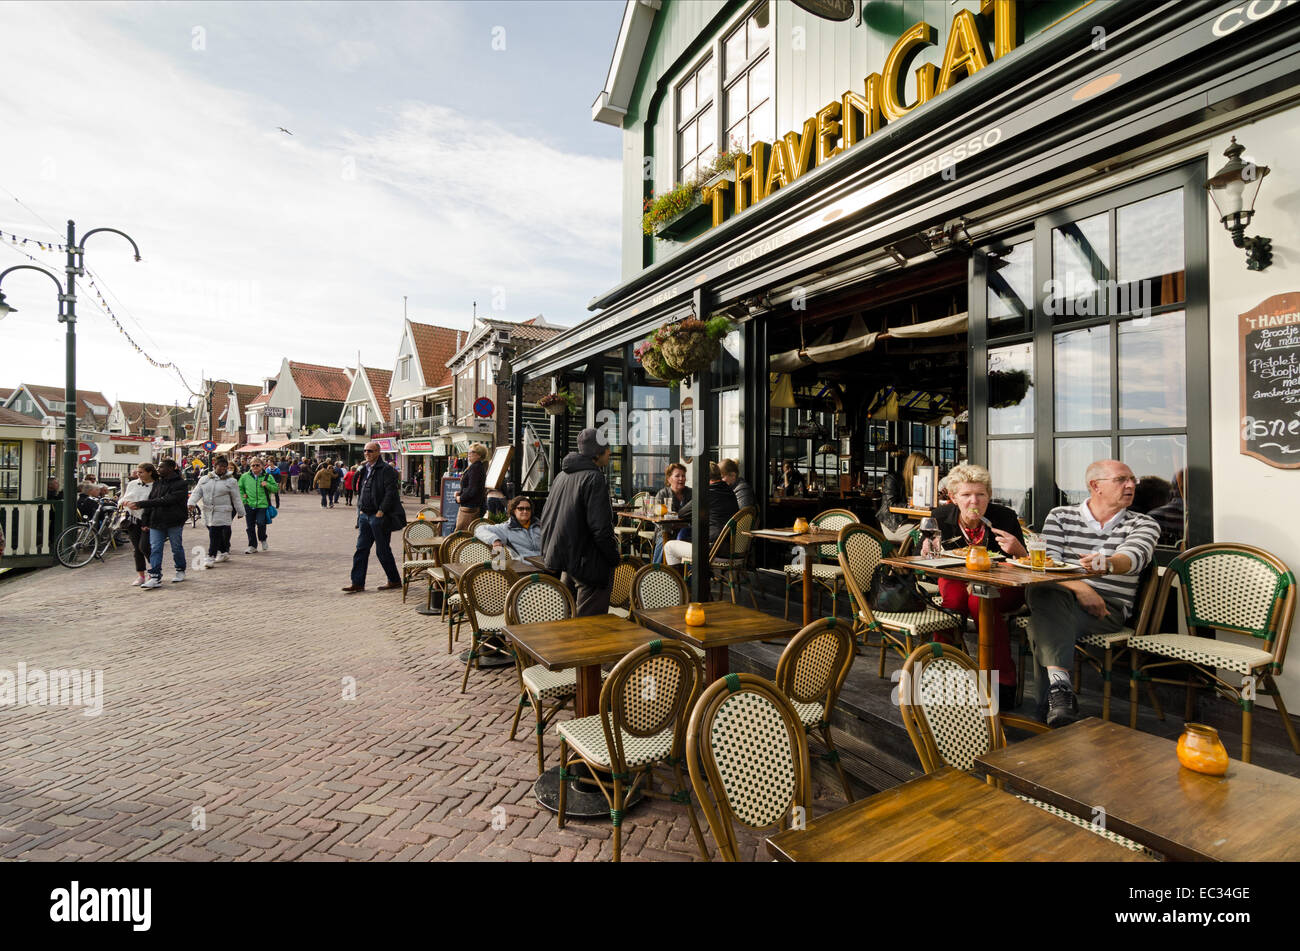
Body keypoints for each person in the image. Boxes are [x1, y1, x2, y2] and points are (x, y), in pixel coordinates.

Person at [1027, 459, 1160, 726]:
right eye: (1121, 479)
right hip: (1061, 597)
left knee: (1039, 616)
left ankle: (1051, 702)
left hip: (1107, 608)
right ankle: (1060, 697)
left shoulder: (1144, 524)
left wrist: (1108, 564)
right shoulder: (1060, 516)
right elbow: (1045, 564)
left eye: (1132, 480)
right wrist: (1081, 587)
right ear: (1095, 486)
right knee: (1044, 596)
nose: (1131, 485)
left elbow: (1132, 558)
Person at [929, 463, 1027, 712]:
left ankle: (1002, 681)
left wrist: (1019, 551)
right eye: (966, 495)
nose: (975, 500)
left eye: (981, 494)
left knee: (979, 599)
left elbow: (1024, 564)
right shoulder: (940, 519)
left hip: (1003, 583)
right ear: (953, 498)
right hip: (958, 580)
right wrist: (927, 553)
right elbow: (925, 561)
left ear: (989, 495)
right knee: (953, 600)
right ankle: (943, 672)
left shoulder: (1004, 517)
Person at [539, 427, 620, 615]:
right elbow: (600, 528)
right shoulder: (594, 478)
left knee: (566, 614)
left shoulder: (563, 475)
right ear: (598, 452)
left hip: (567, 557)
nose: (610, 452)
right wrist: (613, 557)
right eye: (607, 448)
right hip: (587, 561)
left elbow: (548, 514)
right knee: (589, 626)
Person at [342, 441, 407, 593]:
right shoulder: (364, 468)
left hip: (378, 516)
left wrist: (381, 511)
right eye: (365, 451)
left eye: (370, 451)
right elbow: (358, 486)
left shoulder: (386, 469)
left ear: (378, 452)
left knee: (382, 550)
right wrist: (361, 510)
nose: (367, 453)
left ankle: (394, 580)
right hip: (365, 515)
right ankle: (357, 583)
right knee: (361, 549)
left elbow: (391, 492)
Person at [123, 458, 188, 589]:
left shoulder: (181, 484)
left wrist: (140, 504)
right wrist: (145, 521)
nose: (158, 469)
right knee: (155, 549)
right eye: (158, 467)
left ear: (171, 468)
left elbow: (166, 500)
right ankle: (155, 576)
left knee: (176, 547)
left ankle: (180, 569)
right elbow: (152, 501)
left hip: (174, 520)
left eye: (161, 467)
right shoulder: (158, 484)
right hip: (156, 521)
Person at [664, 461, 739, 566]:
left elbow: (681, 514)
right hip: (732, 549)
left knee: (669, 546)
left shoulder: (706, 493)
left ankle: (680, 582)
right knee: (685, 534)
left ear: (702, 477)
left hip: (713, 550)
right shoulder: (730, 492)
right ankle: (689, 577)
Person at [188, 455, 243, 567]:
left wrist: (240, 511)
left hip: (222, 511)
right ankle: (223, 551)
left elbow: (236, 497)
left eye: (225, 467)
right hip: (208, 510)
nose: (223, 469)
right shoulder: (204, 479)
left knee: (214, 533)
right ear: (214, 466)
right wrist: (191, 503)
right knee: (214, 532)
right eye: (220, 466)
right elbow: (197, 492)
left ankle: (211, 556)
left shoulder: (231, 481)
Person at [877, 451, 934, 542]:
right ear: (914, 468)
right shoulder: (893, 479)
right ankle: (918, 555)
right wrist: (912, 504)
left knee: (935, 527)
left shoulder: (922, 482)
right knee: (926, 532)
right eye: (924, 469)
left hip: (913, 521)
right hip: (894, 524)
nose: (926, 473)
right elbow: (891, 504)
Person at [120, 463, 156, 586]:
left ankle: (154, 571)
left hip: (148, 520)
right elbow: (121, 499)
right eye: (138, 472)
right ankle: (141, 575)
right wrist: (127, 503)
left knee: (145, 546)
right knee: (137, 549)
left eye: (141, 472)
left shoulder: (156, 485)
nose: (138, 474)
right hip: (133, 519)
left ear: (150, 472)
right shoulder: (132, 484)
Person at [474, 496, 543, 558]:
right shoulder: (506, 528)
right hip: (524, 565)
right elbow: (479, 529)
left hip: (544, 562)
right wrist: (495, 540)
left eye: (528, 509)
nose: (525, 511)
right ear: (514, 511)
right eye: (521, 508)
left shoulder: (540, 525)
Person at [651, 462, 692, 564]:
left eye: (683, 476)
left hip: (688, 532)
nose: (681, 479)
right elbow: (656, 518)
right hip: (667, 531)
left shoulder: (691, 493)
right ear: (669, 479)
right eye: (677, 476)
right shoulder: (662, 494)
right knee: (664, 542)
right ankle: (656, 573)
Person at [238, 458, 279, 552]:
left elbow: (276, 489)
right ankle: (252, 546)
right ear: (250, 466)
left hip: (262, 505)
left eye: (257, 465)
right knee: (250, 527)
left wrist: (267, 485)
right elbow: (240, 488)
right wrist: (244, 499)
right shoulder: (244, 477)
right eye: (253, 465)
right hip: (249, 504)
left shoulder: (268, 476)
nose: (255, 467)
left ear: (262, 466)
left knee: (261, 523)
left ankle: (263, 538)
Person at [454, 443, 487, 531]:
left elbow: (472, 489)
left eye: (472, 452)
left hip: (470, 507)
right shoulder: (476, 466)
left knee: (462, 534)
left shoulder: (475, 467)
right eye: (469, 451)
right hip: (472, 505)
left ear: (479, 455)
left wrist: (460, 498)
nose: (469, 453)